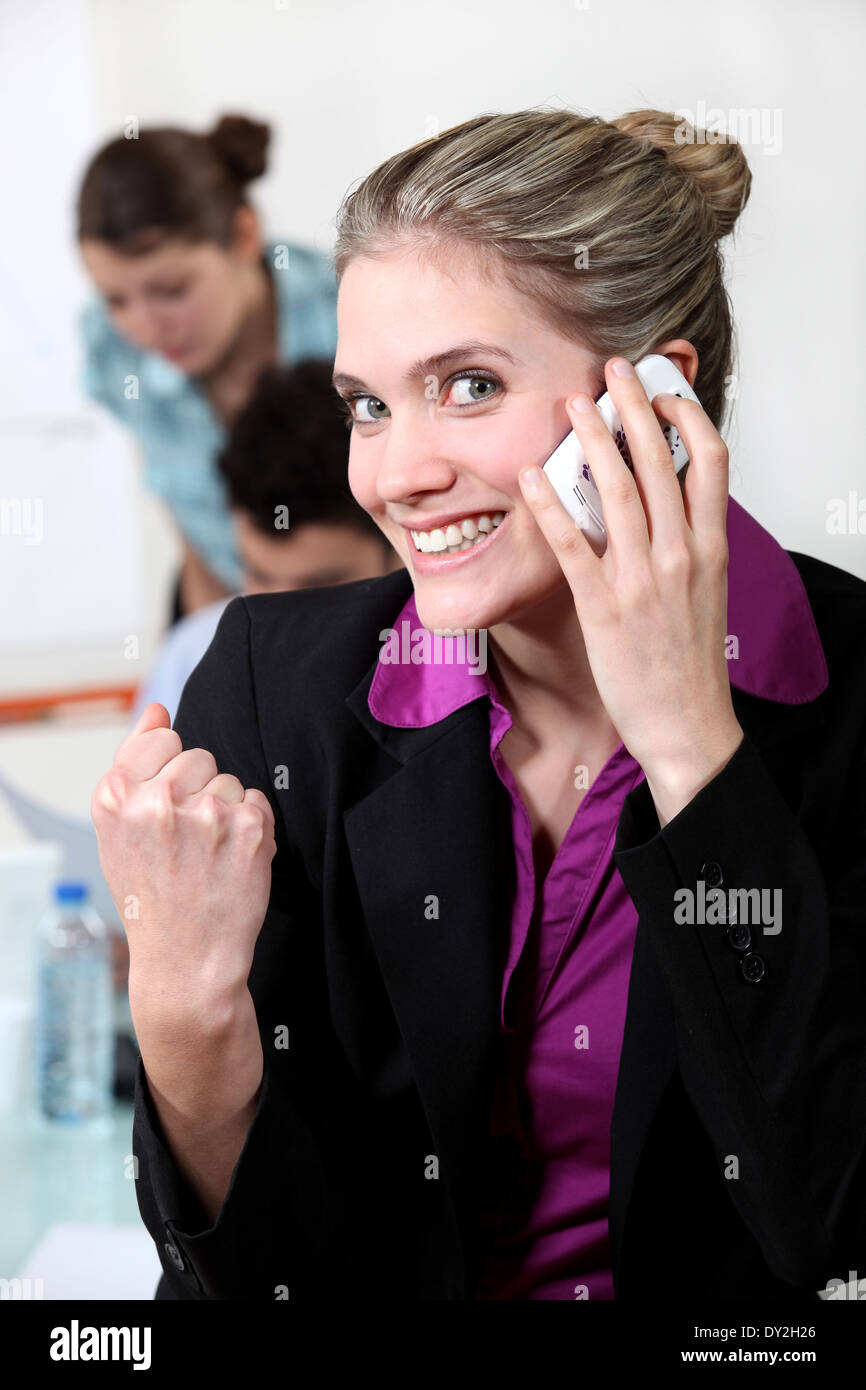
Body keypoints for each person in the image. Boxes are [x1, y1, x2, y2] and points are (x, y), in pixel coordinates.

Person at [91, 107, 866, 1301]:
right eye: (369, 404)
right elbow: (254, 1288)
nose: (393, 475)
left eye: (466, 385)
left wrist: (690, 752)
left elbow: (824, 1226)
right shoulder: (272, 690)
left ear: (655, 396)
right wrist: (187, 1023)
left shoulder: (849, 695)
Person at [77, 114, 338, 621]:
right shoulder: (112, 349)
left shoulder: (353, 315)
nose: (145, 328)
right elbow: (186, 515)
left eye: (171, 291)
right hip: (231, 611)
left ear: (244, 235)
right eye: (115, 299)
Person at [128, 359, 399, 725]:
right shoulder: (190, 658)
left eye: (318, 587)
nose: (278, 618)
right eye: (259, 575)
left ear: (399, 553)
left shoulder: (457, 666)